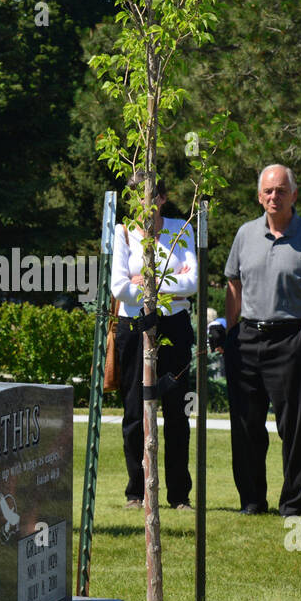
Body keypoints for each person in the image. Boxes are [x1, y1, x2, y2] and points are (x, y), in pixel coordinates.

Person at [222, 164, 301, 517]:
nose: (274, 196)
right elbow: (233, 284)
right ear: (259, 196)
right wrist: (229, 331)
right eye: (268, 191)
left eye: (281, 190)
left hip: (289, 338)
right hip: (247, 338)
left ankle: (293, 503)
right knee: (245, 426)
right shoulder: (245, 234)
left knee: (293, 429)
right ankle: (252, 501)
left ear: (294, 195)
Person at [111, 173, 197, 510]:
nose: (141, 204)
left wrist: (146, 282)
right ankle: (137, 491)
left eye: (148, 196)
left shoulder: (182, 228)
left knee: (177, 410)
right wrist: (167, 284)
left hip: (175, 325)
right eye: (134, 197)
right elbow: (119, 288)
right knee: (134, 410)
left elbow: (192, 284)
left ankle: (179, 495)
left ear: (161, 198)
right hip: (133, 325)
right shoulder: (122, 233)